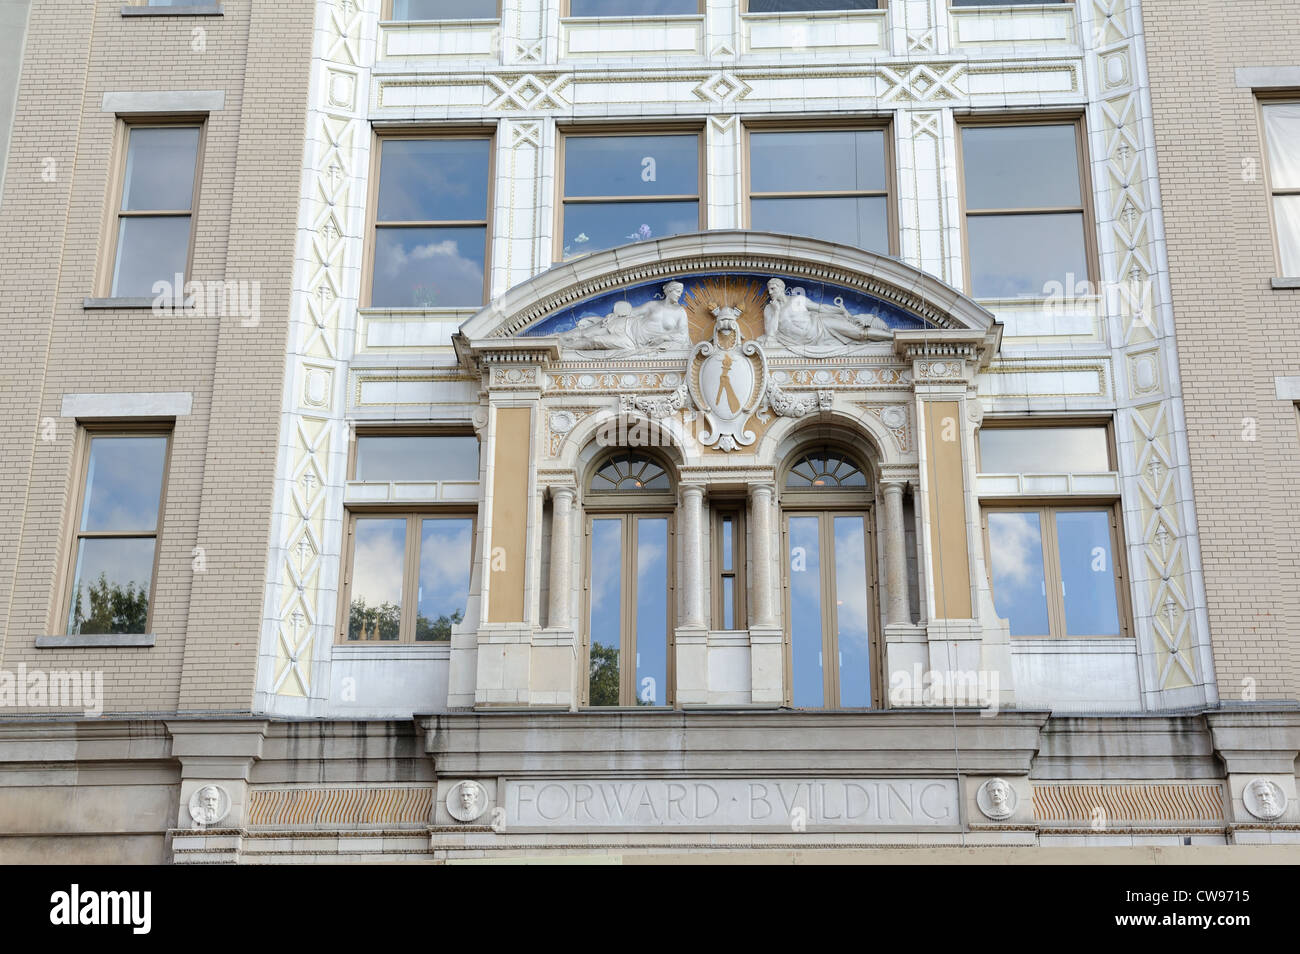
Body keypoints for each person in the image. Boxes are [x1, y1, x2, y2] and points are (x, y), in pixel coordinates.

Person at [761, 277, 892, 353]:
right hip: (806, 340)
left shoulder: (797, 300)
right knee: (858, 334)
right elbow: (770, 334)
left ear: (782, 288)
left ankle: (891, 336)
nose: (771, 292)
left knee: (859, 333)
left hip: (821, 325)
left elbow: (819, 307)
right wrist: (777, 310)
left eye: (773, 289)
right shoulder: (770, 309)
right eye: (769, 290)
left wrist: (839, 310)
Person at [559, 281, 691, 355]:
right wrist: (613, 315)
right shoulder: (653, 305)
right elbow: (633, 312)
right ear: (668, 291)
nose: (679, 295)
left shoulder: (680, 312)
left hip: (632, 342)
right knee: (585, 333)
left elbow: (683, 336)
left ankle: (564, 346)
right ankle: (557, 339)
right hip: (626, 325)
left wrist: (664, 337)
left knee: (595, 340)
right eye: (677, 291)